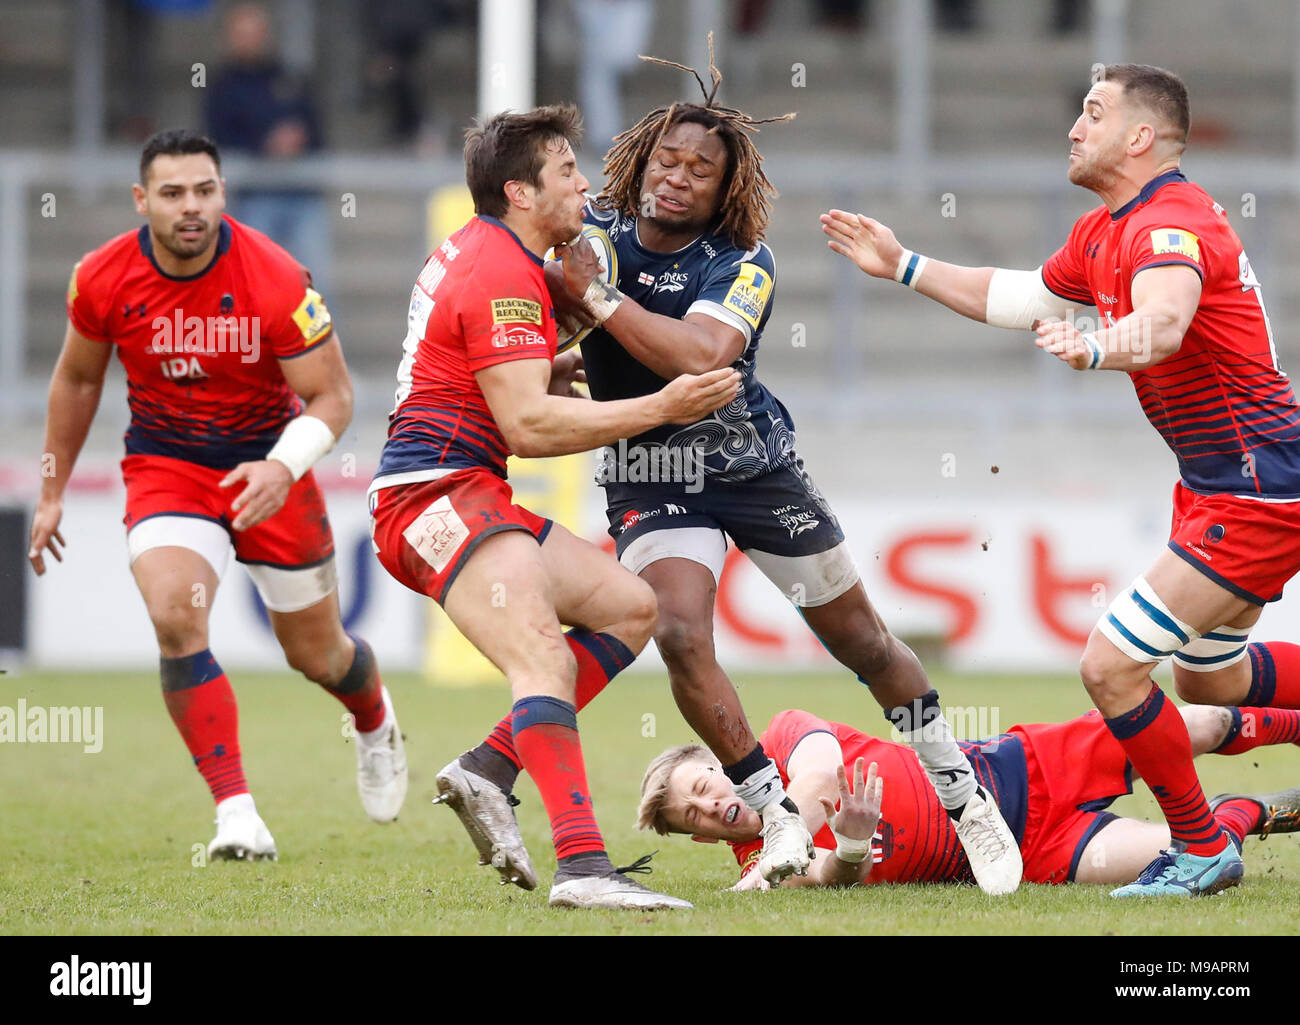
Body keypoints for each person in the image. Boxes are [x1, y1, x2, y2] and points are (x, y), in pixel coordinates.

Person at [452, 45, 1024, 895]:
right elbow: (530, 317)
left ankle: (959, 791)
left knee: (862, 641)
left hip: (752, 467)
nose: (677, 178)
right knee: (677, 629)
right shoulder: (593, 234)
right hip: (651, 470)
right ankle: (776, 811)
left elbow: (703, 357)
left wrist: (600, 302)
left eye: (700, 171)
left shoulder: (741, 261)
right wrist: (561, 358)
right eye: (667, 160)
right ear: (642, 161)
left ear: (727, 191)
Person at [821, 63, 1300, 896]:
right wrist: (903, 264)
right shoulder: (1102, 230)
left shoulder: (1171, 223)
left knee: (1110, 668)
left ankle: (1201, 847)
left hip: (1257, 484)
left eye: (1093, 113)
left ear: (1140, 137)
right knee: (1210, 680)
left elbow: (1162, 321)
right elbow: (1017, 297)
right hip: (1219, 484)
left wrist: (1097, 344)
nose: (1075, 128)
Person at [367, 104, 741, 910]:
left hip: (466, 488)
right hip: (432, 494)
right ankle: (583, 868)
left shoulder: (498, 254)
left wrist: (559, 362)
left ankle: (488, 766)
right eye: (567, 170)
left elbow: (497, 383)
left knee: (630, 608)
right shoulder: (501, 268)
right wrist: (662, 405)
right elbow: (527, 426)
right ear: (520, 191)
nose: (585, 181)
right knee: (541, 657)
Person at [28, 129, 407, 861]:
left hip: (270, 464)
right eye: (172, 193)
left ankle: (373, 718)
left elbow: (332, 398)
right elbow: (76, 380)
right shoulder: (101, 277)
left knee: (320, 655)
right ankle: (236, 812)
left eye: (204, 190)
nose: (190, 207)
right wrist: (51, 491)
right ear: (143, 201)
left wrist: (282, 467)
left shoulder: (275, 276)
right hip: (167, 466)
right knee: (176, 616)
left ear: (222, 193)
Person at [639, 701, 1300, 890]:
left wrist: (789, 836)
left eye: (702, 787)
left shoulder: (783, 736)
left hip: (1026, 768)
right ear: (701, 837)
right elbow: (825, 876)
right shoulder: (764, 870)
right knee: (1197, 854)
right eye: (692, 815)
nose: (708, 806)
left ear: (723, 761)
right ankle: (1262, 809)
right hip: (1037, 851)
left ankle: (1292, 718)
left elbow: (819, 771)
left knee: (1201, 725)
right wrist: (850, 844)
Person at [205, 3, 331, 295]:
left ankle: (321, 341)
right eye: (242, 33)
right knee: (254, 282)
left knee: (316, 282)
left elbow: (317, 129)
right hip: (255, 194)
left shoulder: (290, 77)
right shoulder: (222, 87)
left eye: (255, 31)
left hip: (302, 192)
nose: (250, 39)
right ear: (230, 37)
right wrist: (264, 145)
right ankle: (257, 340)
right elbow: (217, 138)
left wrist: (299, 139)